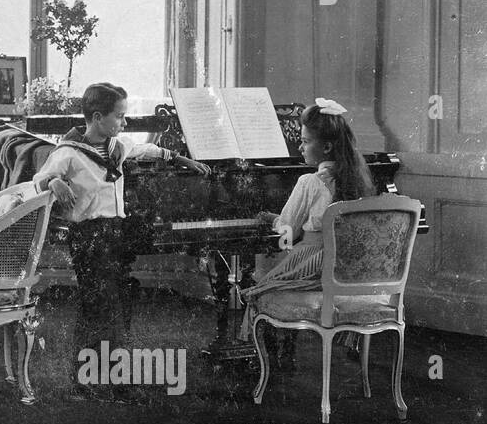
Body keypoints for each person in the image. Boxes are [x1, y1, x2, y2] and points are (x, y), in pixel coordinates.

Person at [33, 83, 211, 399]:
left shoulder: (118, 146)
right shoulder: (69, 153)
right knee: (98, 307)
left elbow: (149, 151)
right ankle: (89, 382)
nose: (124, 123)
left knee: (117, 304)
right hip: (89, 238)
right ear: (98, 117)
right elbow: (39, 180)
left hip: (116, 235)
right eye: (120, 116)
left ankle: (111, 379)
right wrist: (56, 181)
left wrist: (183, 161)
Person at [241, 100, 375, 356]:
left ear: (326, 147)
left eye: (305, 141)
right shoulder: (359, 179)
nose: (300, 147)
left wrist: (272, 219)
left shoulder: (309, 181)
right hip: (348, 269)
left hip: (315, 264)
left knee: (259, 291)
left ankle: (260, 357)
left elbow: (288, 230)